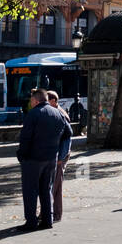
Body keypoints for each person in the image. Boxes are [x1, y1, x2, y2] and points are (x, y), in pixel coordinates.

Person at [16, 88, 72, 231]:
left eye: (31, 100)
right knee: (46, 189)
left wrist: (21, 155)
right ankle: (48, 220)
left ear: (35, 100)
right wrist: (57, 148)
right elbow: (68, 132)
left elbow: (25, 138)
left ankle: (31, 221)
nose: (30, 103)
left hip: (33, 158)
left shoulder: (33, 114)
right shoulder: (58, 113)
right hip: (51, 158)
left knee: (30, 190)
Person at [45, 91, 72, 222]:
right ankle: (54, 213)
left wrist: (61, 158)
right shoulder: (58, 112)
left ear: (53, 101)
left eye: (47, 101)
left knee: (54, 186)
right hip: (59, 155)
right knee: (55, 185)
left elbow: (67, 138)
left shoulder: (60, 114)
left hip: (60, 156)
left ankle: (52, 213)